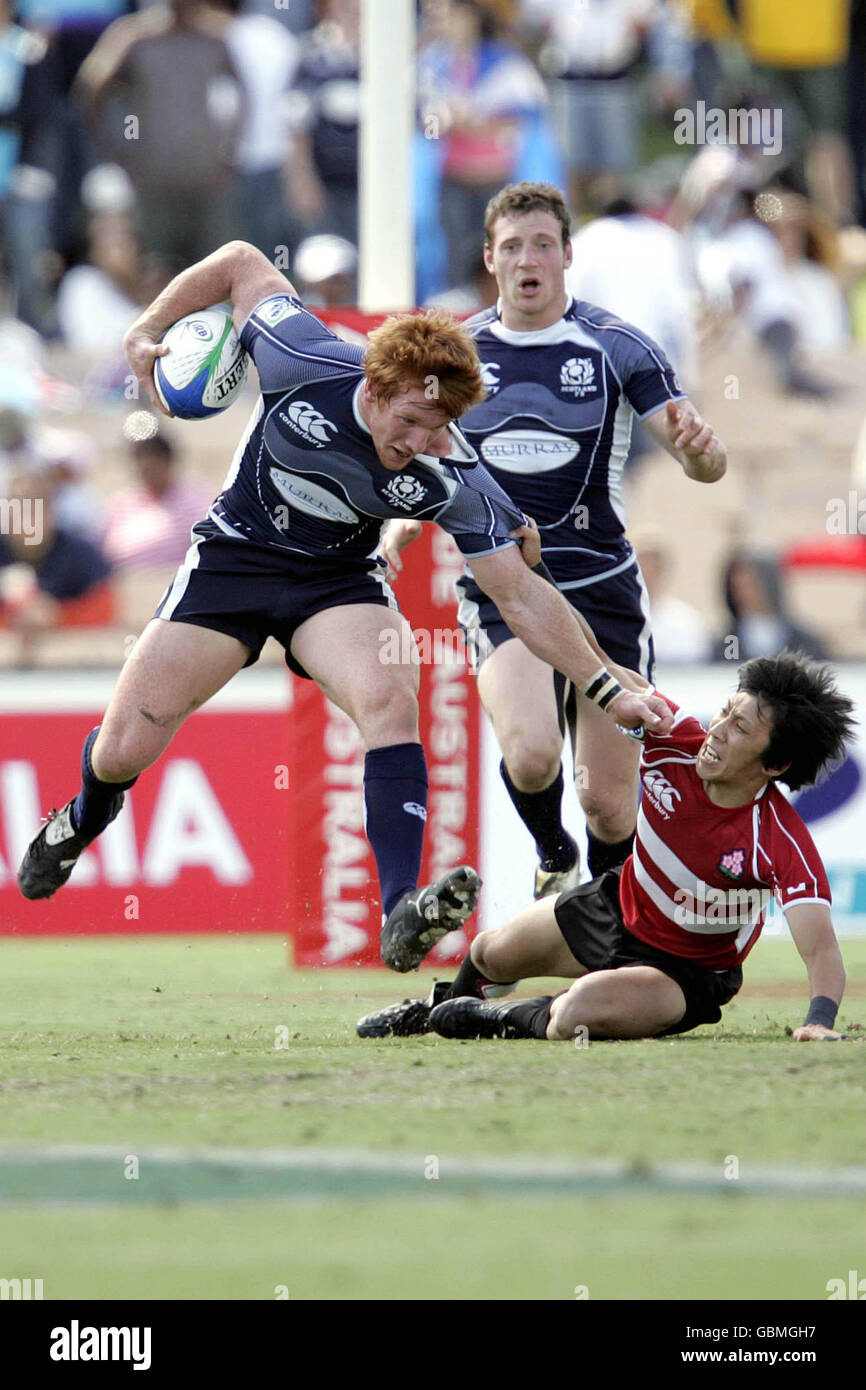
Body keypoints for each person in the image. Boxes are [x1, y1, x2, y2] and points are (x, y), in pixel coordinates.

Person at [16, 237, 670, 976]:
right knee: (124, 749)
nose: (423, 441)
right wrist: (147, 328)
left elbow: (521, 594)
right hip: (235, 557)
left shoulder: (452, 471)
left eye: (441, 426)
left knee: (391, 697)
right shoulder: (302, 354)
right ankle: (79, 821)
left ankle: (399, 910)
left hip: (336, 581)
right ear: (376, 384)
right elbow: (238, 260)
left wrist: (607, 683)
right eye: (412, 420)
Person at [382, 181, 726, 899]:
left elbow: (700, 458)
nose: (528, 259)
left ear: (568, 255)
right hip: (501, 585)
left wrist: (700, 452)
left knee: (608, 801)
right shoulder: (459, 354)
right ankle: (550, 853)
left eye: (542, 244)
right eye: (512, 247)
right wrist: (401, 529)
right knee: (534, 754)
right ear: (490, 259)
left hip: (602, 589)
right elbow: (422, 460)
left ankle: (608, 934)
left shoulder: (616, 345)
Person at [357, 649, 857, 1044]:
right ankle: (437, 1011)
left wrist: (819, 1019)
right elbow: (596, 665)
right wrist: (535, 575)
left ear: (774, 766)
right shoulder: (673, 734)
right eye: (726, 712)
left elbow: (820, 951)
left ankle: (491, 1017)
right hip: (614, 907)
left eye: (740, 728)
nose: (716, 732)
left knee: (576, 1013)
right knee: (489, 952)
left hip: (683, 973)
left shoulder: (778, 840)